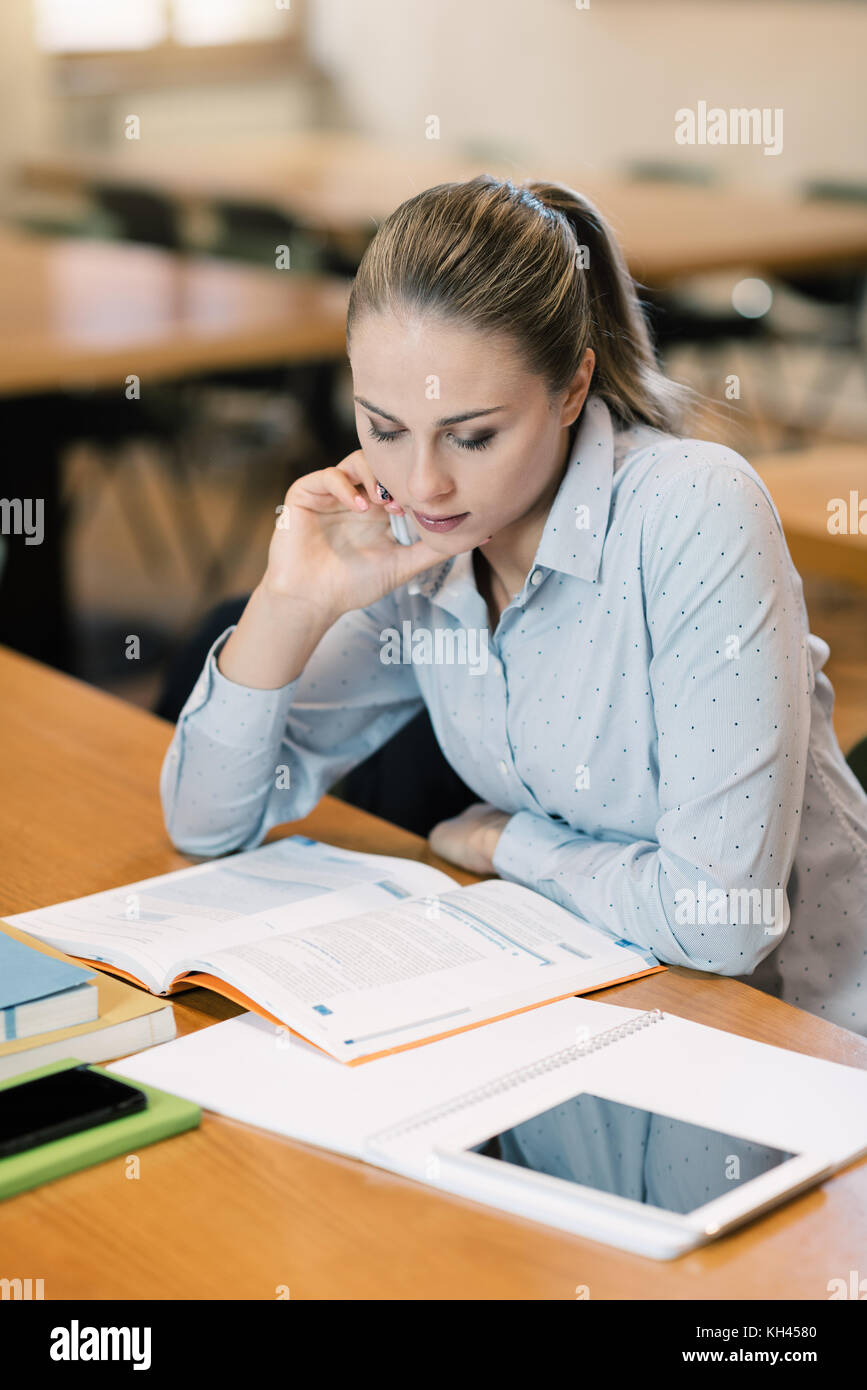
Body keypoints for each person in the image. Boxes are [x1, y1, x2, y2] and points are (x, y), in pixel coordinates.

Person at [160, 174, 867, 1035]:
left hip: (800, 1040)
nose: (422, 482)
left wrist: (509, 847)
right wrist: (290, 602)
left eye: (473, 436)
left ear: (572, 389)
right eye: (383, 428)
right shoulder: (417, 539)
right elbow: (204, 823)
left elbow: (720, 926)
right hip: (593, 1004)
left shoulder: (693, 510)